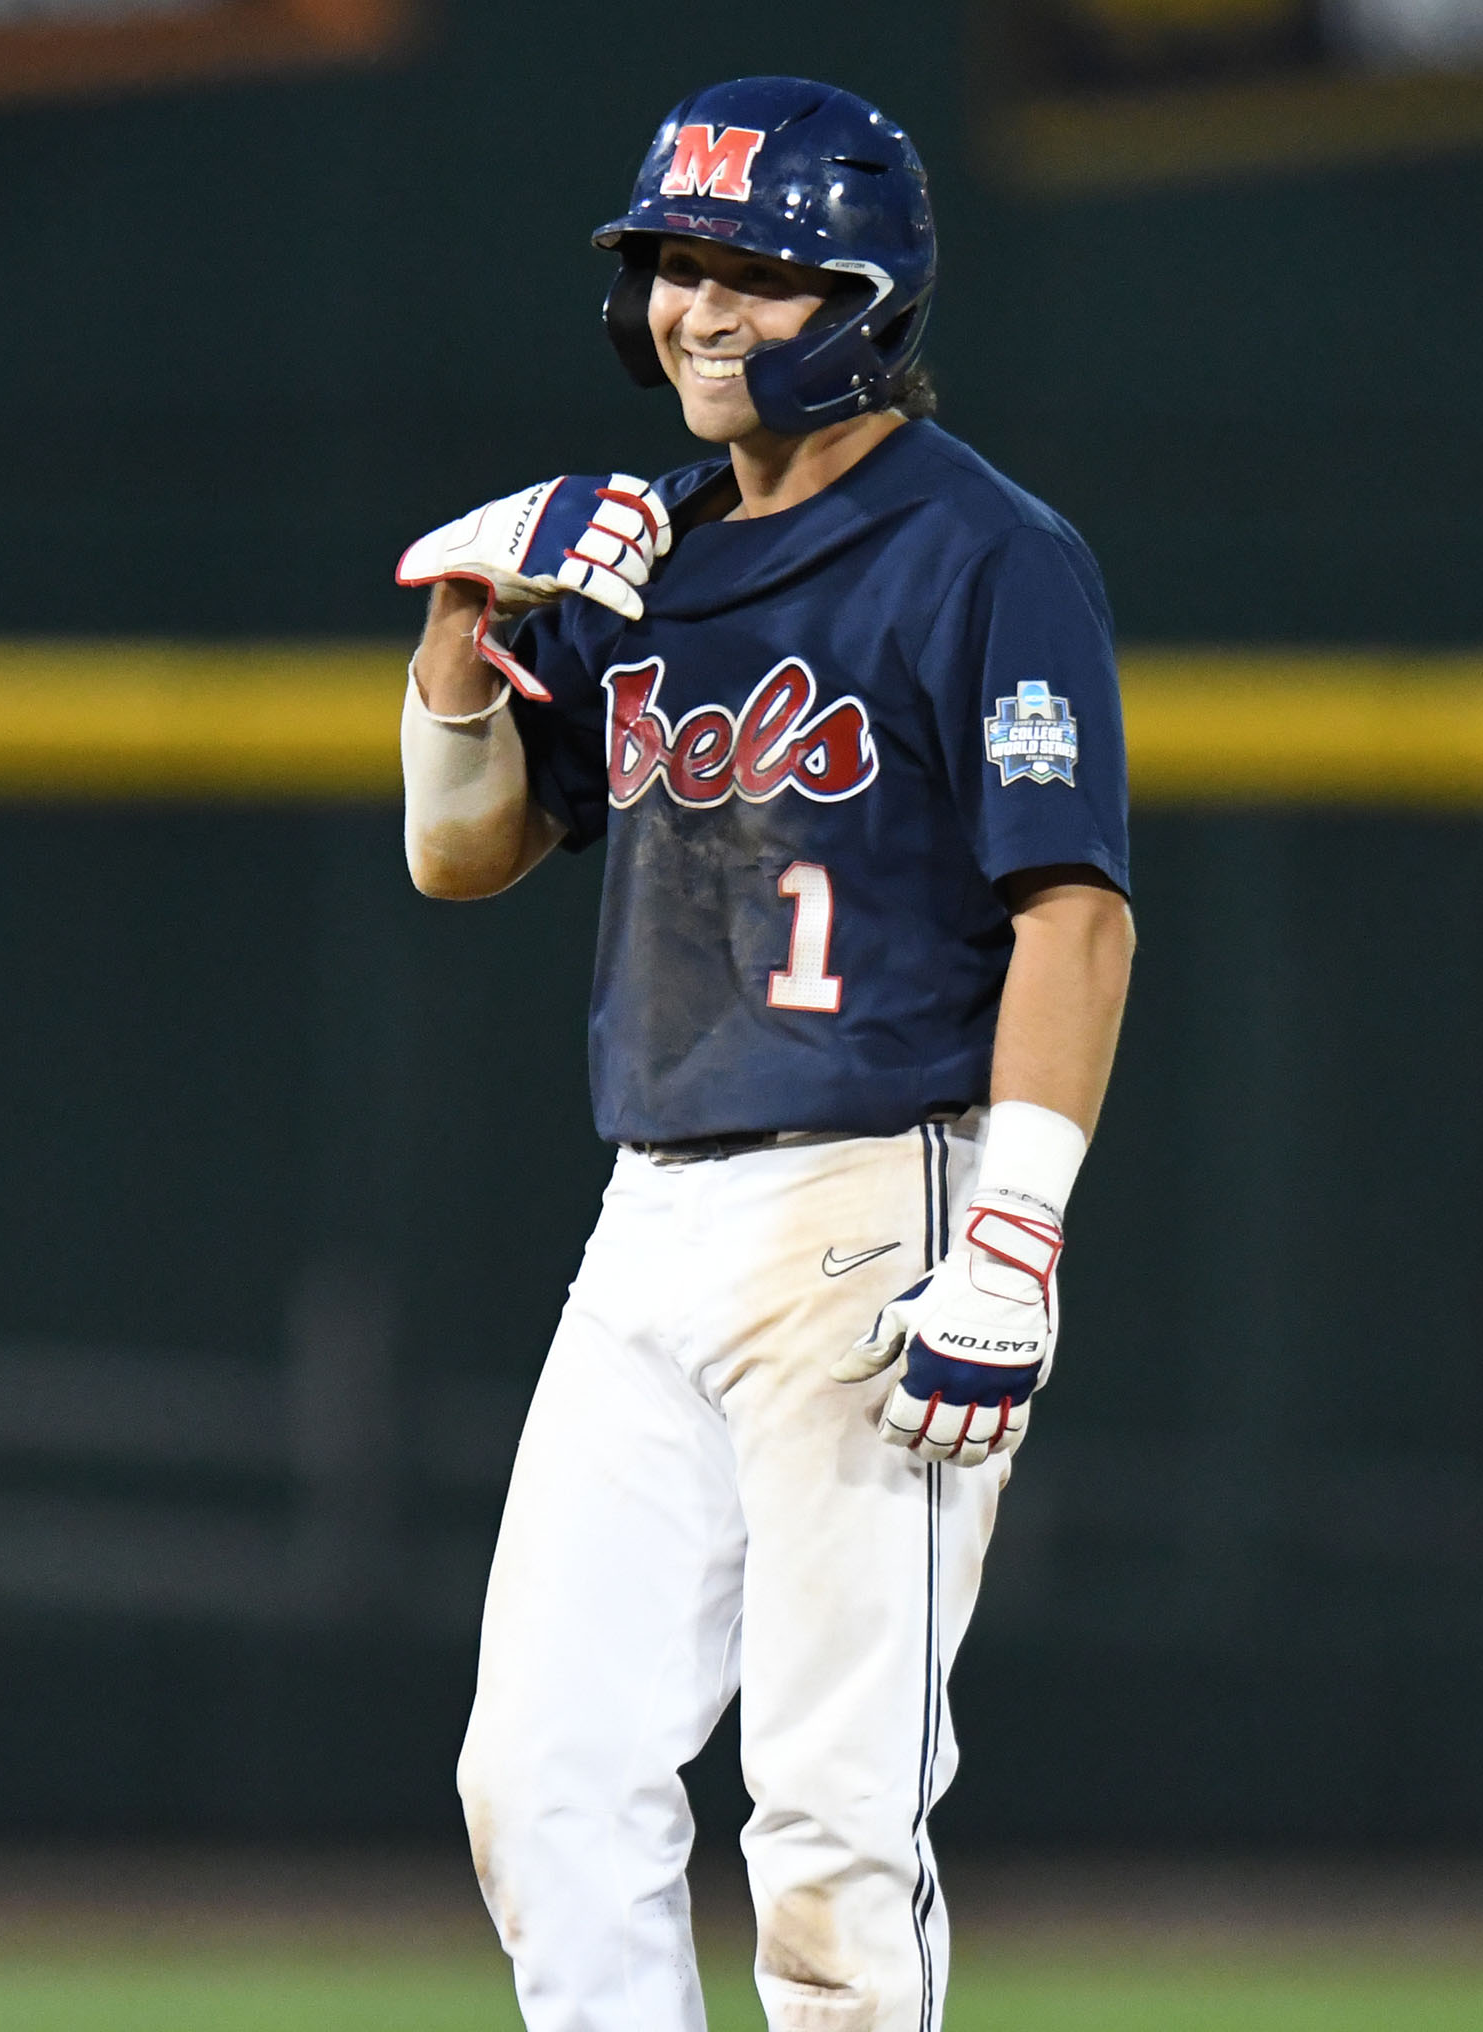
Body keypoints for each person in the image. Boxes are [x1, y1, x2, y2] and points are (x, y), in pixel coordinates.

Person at [393, 76, 1135, 2032]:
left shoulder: (988, 549)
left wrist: (1018, 1234)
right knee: (540, 1781)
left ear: (865, 293)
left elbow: (1076, 910)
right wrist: (463, 645)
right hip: (649, 1214)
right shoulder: (655, 561)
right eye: (675, 267)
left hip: (875, 1194)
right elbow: (460, 852)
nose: (700, 310)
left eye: (752, 270)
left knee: (828, 1829)